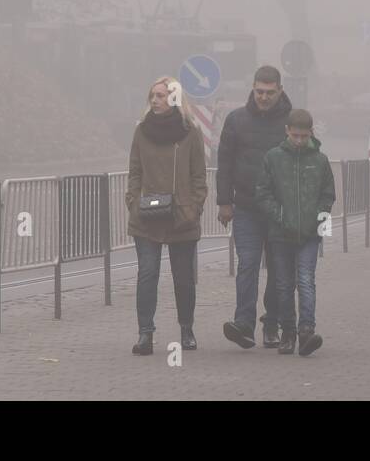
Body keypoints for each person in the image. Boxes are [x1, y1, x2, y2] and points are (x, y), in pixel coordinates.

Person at [125, 77, 208, 356]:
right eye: (152, 95)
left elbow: (199, 175)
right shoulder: (141, 131)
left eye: (161, 95)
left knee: (183, 277)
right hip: (147, 216)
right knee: (147, 274)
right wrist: (133, 202)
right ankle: (145, 334)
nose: (155, 100)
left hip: (181, 217)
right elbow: (134, 171)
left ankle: (187, 329)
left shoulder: (190, 132)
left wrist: (194, 206)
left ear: (174, 99)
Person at [217, 65, 293, 349]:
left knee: (278, 269)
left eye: (269, 93)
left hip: (279, 210)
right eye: (259, 91)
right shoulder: (236, 120)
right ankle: (244, 323)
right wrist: (224, 201)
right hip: (246, 207)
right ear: (252, 88)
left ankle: (271, 323)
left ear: (280, 91)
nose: (263, 97)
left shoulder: (291, 121)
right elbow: (224, 162)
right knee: (247, 264)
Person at [255, 108, 335, 356]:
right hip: (280, 234)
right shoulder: (273, 158)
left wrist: (318, 223)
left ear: (310, 133)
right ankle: (287, 331)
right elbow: (263, 193)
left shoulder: (320, 160)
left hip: (309, 234)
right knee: (284, 284)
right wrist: (280, 217)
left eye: (303, 136)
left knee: (305, 281)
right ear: (287, 131)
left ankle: (306, 330)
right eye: (295, 135)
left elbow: (328, 195)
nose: (299, 141)